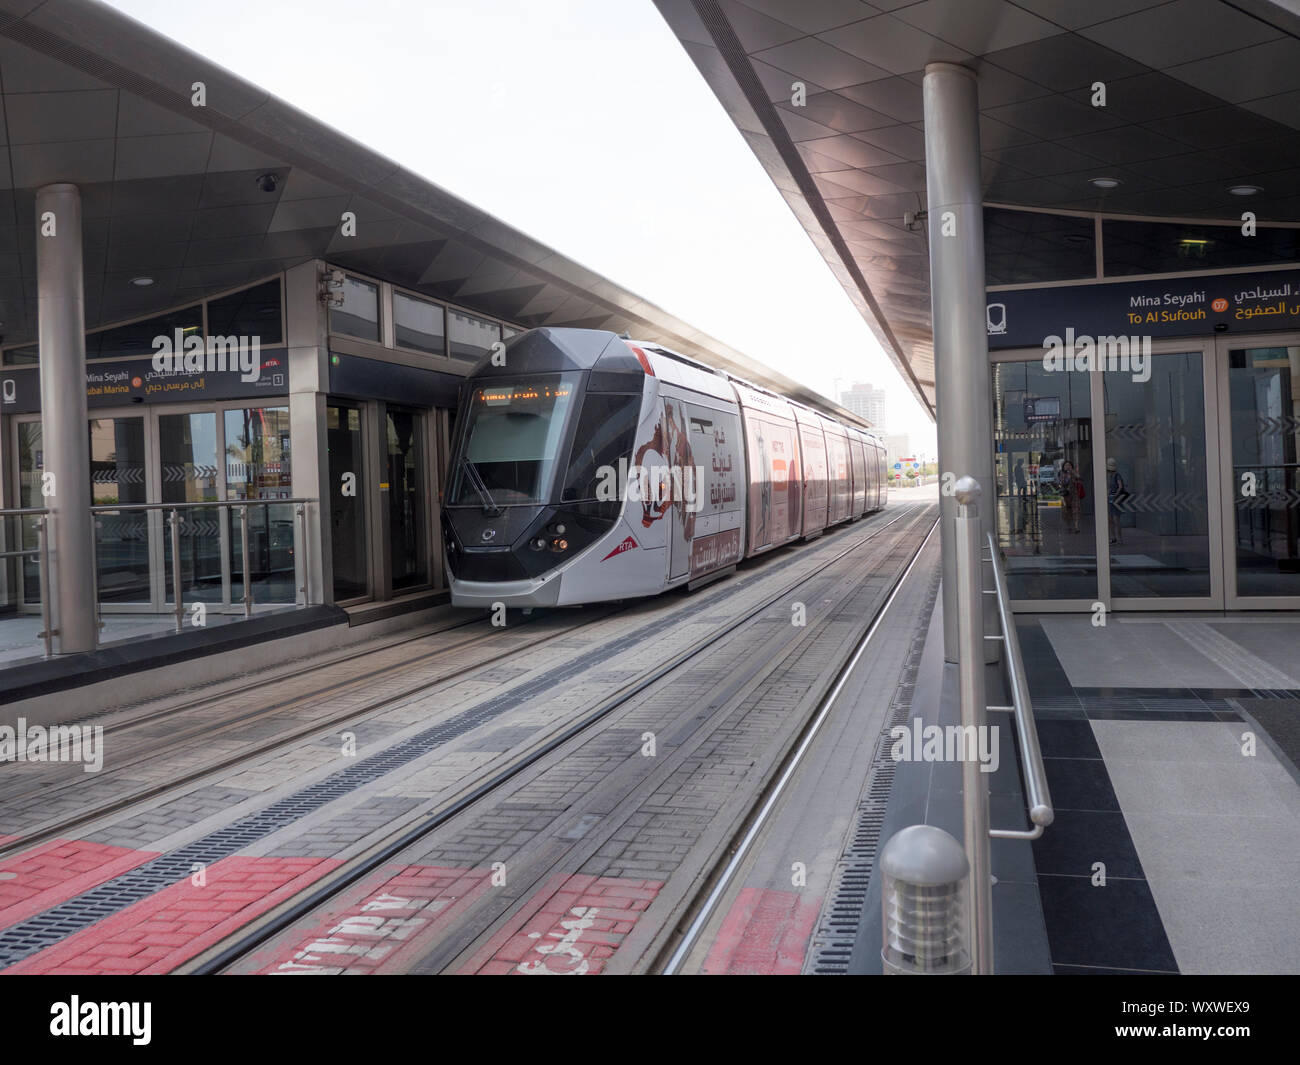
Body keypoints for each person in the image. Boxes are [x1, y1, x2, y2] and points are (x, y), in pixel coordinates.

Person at [1059, 459, 1082, 535]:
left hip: (1074, 494)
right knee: (1067, 512)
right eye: (1066, 465)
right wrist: (1068, 477)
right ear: (1063, 467)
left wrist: (1072, 473)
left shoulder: (1074, 472)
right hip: (1066, 495)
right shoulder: (1062, 474)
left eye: (1069, 465)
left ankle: (1076, 527)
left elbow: (1078, 478)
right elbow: (1063, 482)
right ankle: (1069, 526)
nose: (1068, 467)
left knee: (1075, 510)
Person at [1106, 457, 1125, 545]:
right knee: (1110, 519)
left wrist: (1116, 495)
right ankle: (1113, 537)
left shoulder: (1117, 475)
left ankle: (1119, 538)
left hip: (1116, 499)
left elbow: (1120, 486)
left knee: (1116, 520)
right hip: (1110, 498)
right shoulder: (1111, 476)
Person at [1013, 458, 1027, 533]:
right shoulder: (1017, 467)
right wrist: (1021, 479)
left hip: (1020, 480)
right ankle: (1021, 498)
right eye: (1022, 462)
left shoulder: (1018, 467)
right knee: (1021, 489)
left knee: (1022, 489)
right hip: (1019, 480)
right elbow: (1018, 475)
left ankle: (1022, 497)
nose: (1022, 463)